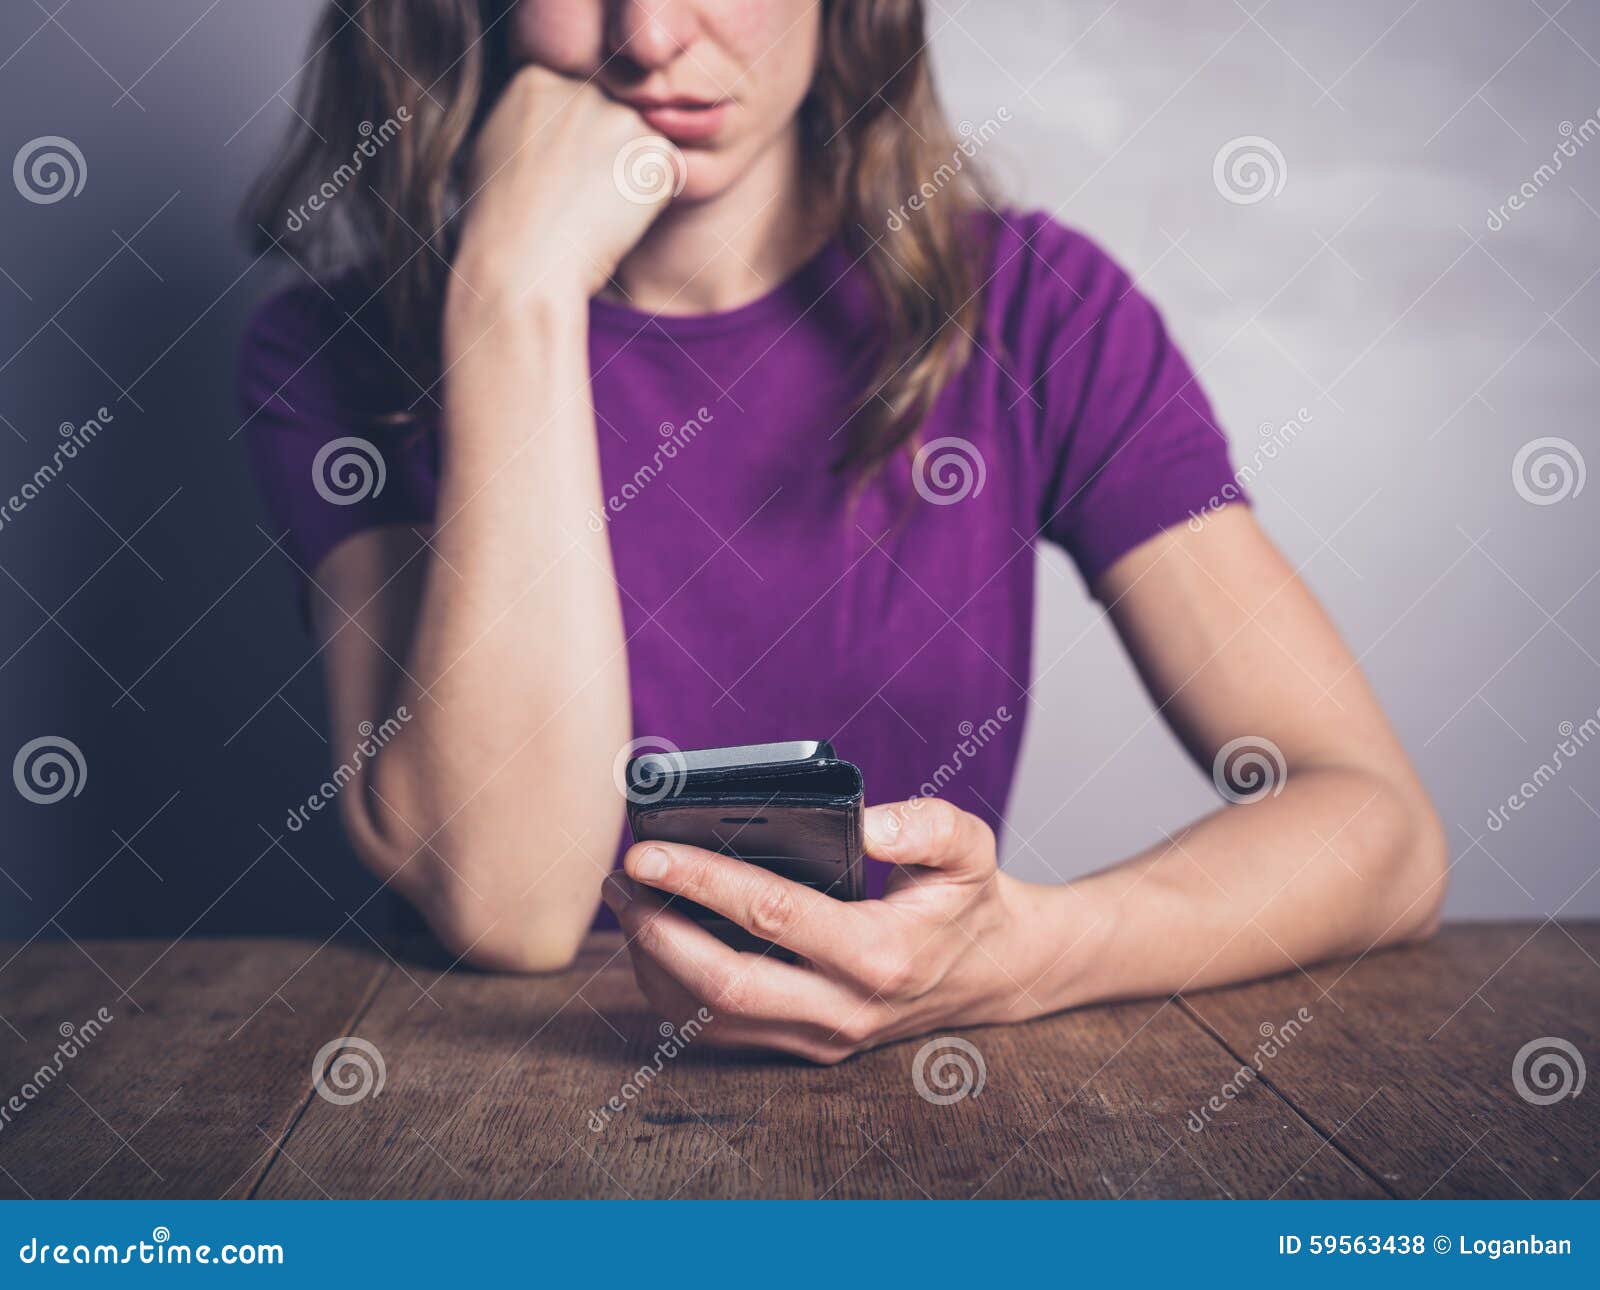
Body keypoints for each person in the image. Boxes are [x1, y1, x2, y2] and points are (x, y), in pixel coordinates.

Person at [239, 0, 1446, 1063]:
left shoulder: (1035, 312)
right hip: (480, 1108)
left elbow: (1379, 830)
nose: (649, 36)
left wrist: (1028, 951)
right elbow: (508, 906)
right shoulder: (335, 357)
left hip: (927, 1119)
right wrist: (513, 292)